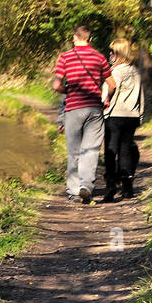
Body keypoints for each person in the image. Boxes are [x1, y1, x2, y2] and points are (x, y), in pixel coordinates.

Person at [52, 25, 117, 204]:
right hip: (94, 109)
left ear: (75, 38)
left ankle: (73, 192)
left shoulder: (65, 58)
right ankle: (86, 186)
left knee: (74, 152)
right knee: (91, 149)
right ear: (90, 38)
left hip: (73, 109)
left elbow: (56, 86)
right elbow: (112, 85)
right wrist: (107, 99)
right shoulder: (99, 58)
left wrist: (69, 90)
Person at [102, 37, 145, 201]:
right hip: (131, 116)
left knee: (111, 150)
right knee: (125, 150)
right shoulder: (136, 72)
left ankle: (111, 185)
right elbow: (141, 95)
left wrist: (104, 109)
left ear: (117, 53)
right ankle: (127, 187)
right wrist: (140, 114)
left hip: (115, 115)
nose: (110, 54)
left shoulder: (113, 72)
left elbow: (108, 93)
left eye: (112, 51)